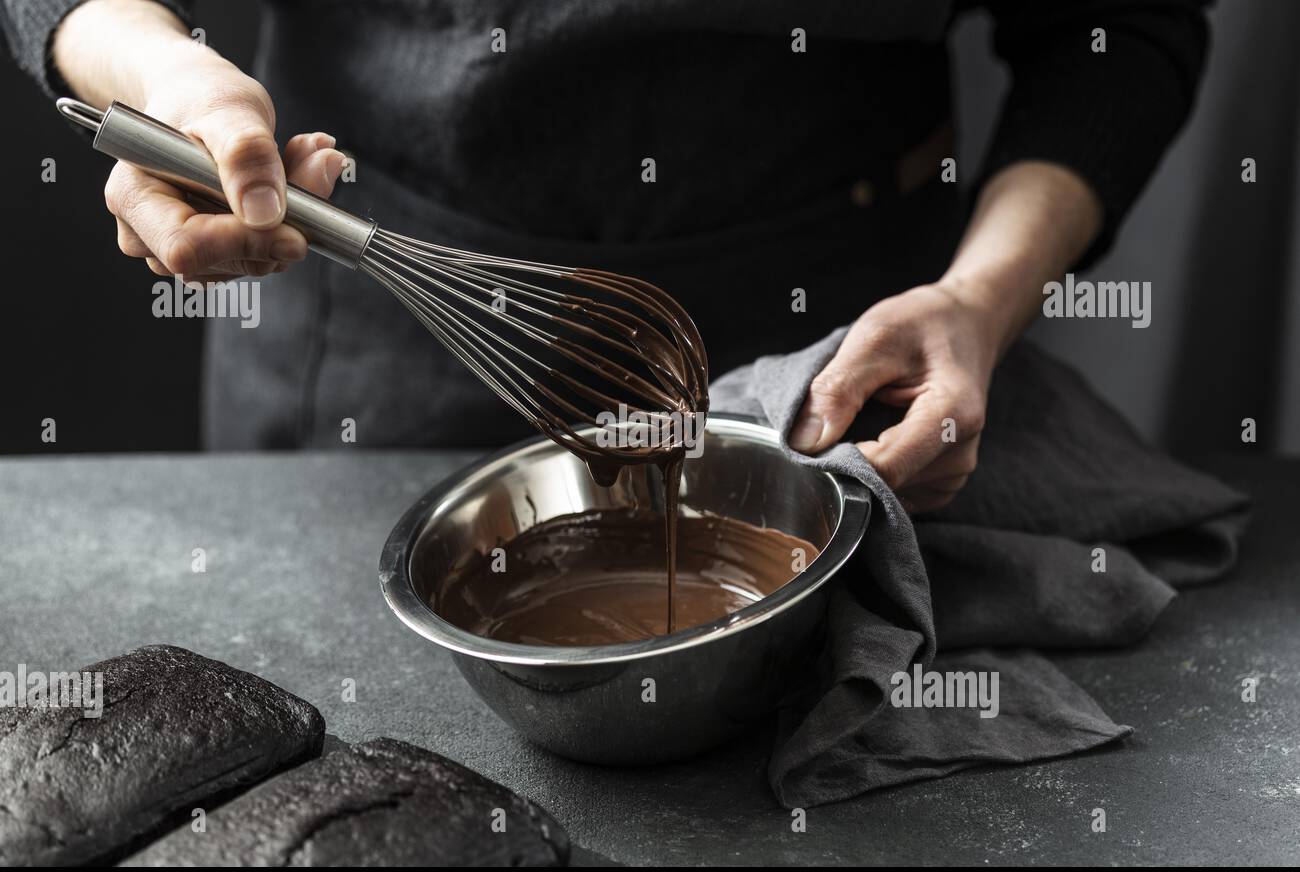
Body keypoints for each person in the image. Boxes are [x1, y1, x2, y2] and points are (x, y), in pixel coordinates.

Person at [4, 0, 1208, 512]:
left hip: (842, 359)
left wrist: (978, 299)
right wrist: (162, 77)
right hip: (386, 338)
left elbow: (1116, 29)